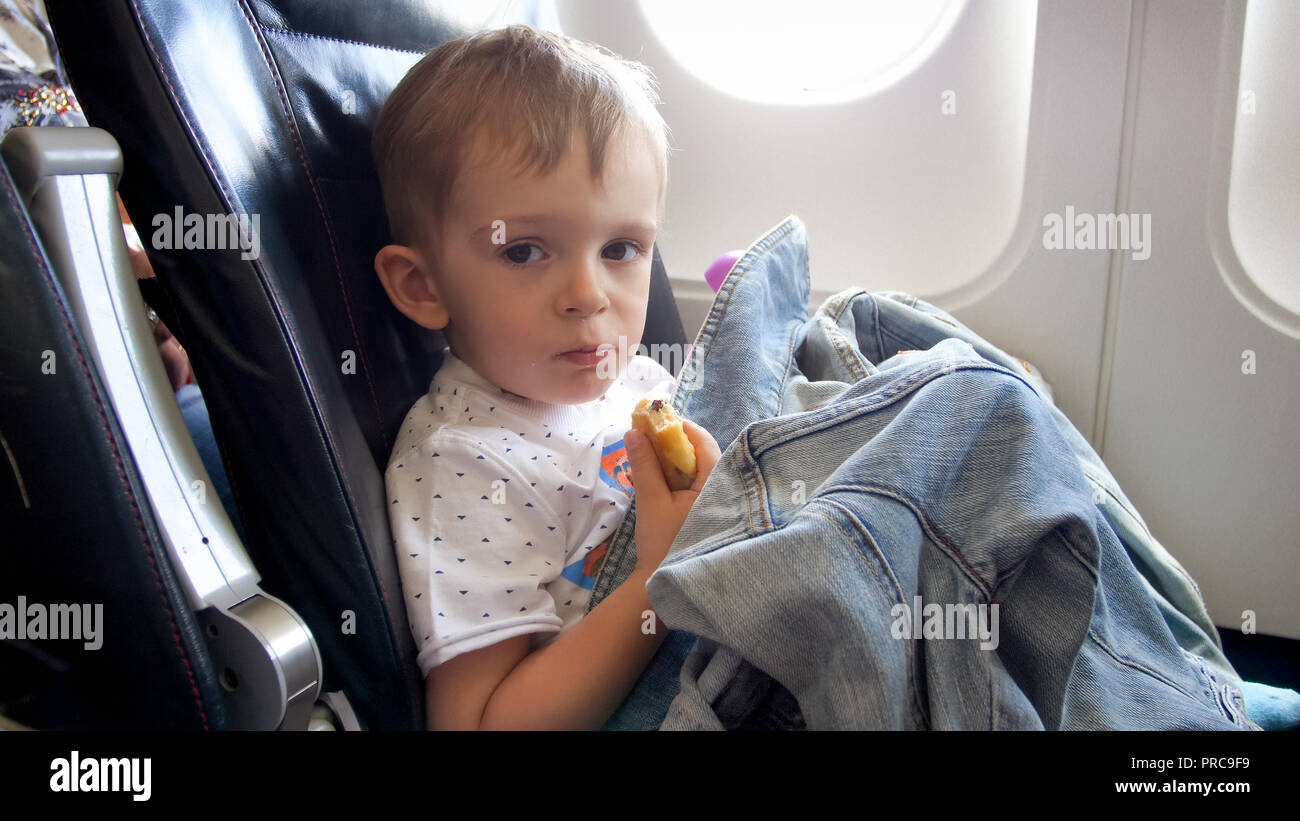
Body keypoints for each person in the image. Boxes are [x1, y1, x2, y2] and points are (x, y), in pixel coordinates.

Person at [372, 24, 722, 730]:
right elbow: (479, 721)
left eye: (621, 247)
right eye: (526, 251)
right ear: (423, 284)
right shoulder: (468, 461)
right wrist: (657, 582)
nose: (589, 294)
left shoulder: (635, 382)